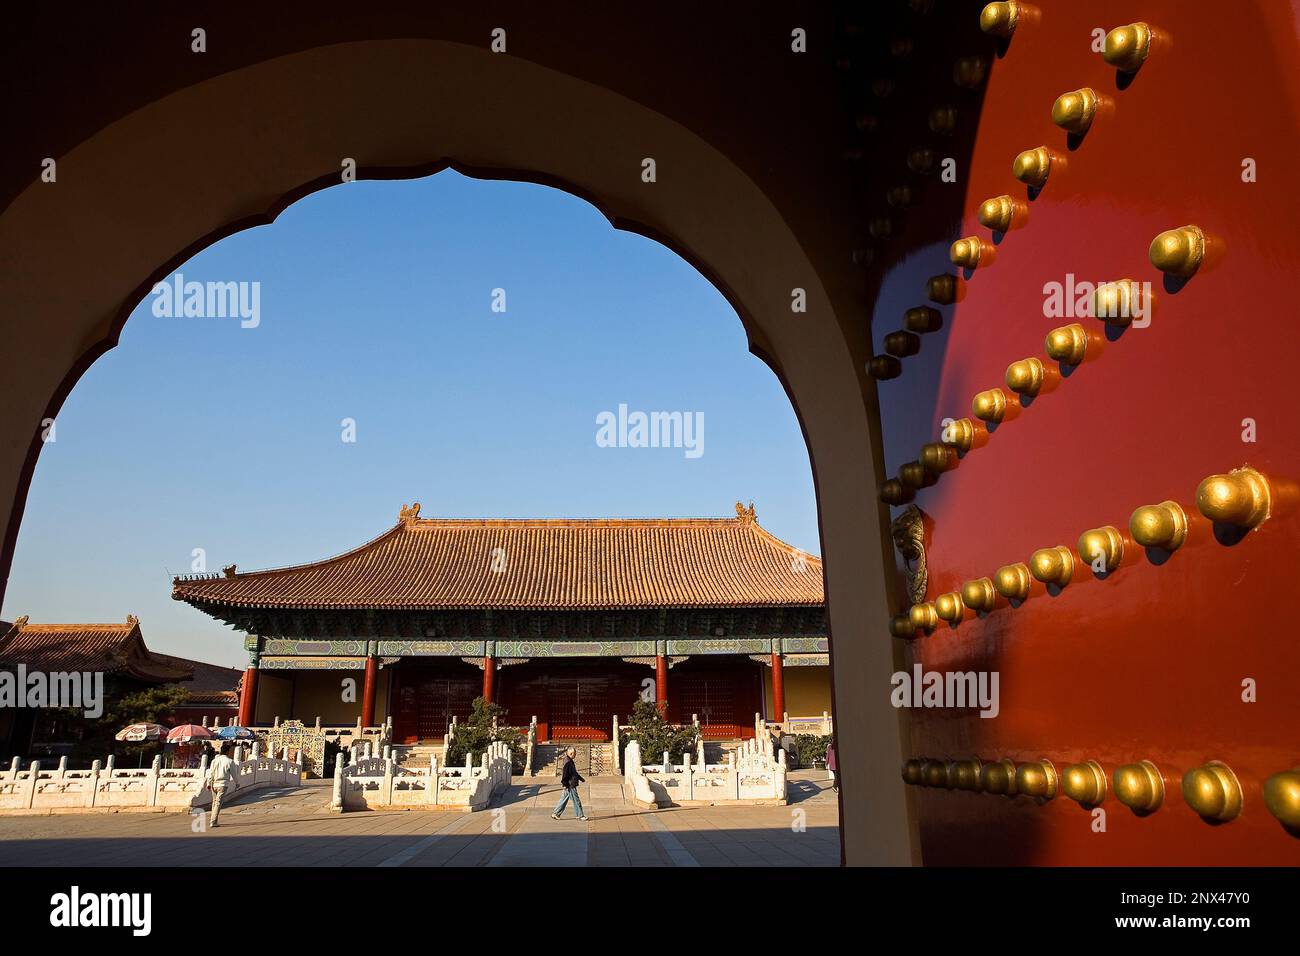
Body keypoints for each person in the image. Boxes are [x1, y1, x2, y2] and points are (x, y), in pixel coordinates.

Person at [551, 747, 588, 821]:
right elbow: (565, 774)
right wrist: (564, 784)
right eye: (575, 754)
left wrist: (580, 778)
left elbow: (574, 773)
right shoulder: (568, 762)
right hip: (570, 784)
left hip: (569, 784)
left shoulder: (569, 761)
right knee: (576, 800)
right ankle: (580, 815)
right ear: (571, 753)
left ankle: (555, 813)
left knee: (563, 799)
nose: (575, 755)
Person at [205, 743, 237, 828]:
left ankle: (213, 819)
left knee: (214, 802)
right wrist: (237, 783)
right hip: (222, 784)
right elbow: (234, 774)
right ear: (228, 751)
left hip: (213, 784)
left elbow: (210, 773)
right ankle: (213, 821)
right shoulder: (229, 761)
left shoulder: (214, 761)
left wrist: (208, 783)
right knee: (218, 803)